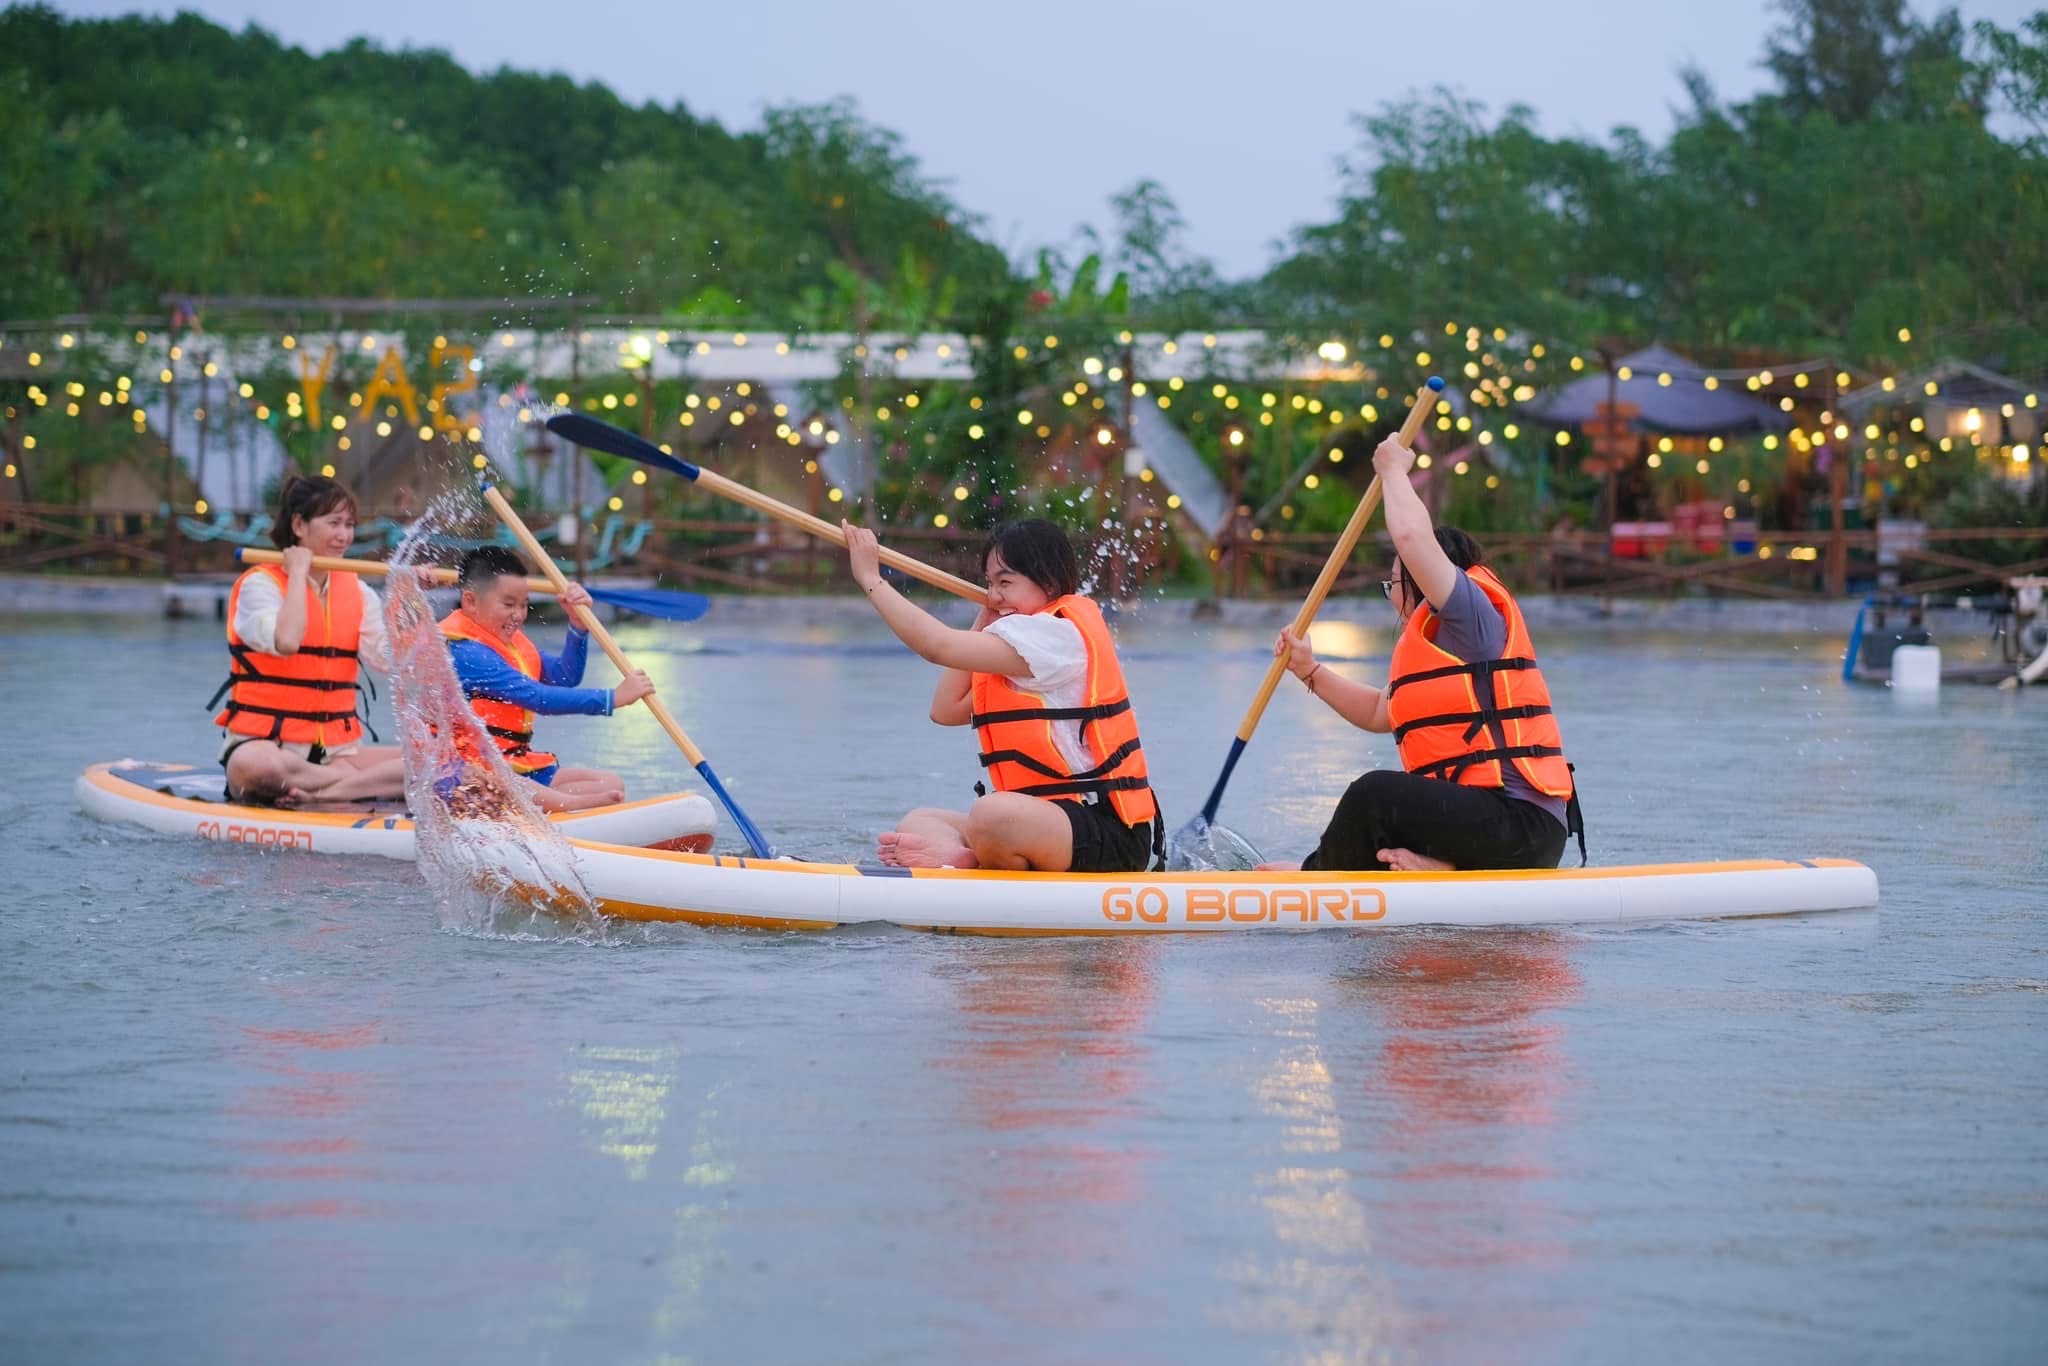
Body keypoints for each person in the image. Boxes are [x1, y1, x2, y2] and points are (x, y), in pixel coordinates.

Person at [1265, 434, 1584, 873]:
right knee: (1380, 833)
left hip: (1521, 826)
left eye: (1393, 584)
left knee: (1372, 795)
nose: (1392, 597)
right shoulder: (1432, 641)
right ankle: (1440, 866)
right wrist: (1310, 672)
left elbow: (1413, 536)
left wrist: (1393, 470)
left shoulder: (1470, 614)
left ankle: (1311, 878)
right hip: (1484, 823)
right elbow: (1382, 711)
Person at [841, 517, 1161, 872]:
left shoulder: (1056, 637)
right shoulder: (1016, 645)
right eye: (989, 584)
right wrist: (987, 615)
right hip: (1045, 822)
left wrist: (872, 580)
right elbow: (945, 710)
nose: (993, 595)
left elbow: (938, 646)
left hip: (1106, 831)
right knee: (921, 821)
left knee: (991, 813)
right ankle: (965, 860)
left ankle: (972, 862)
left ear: (1049, 583)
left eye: (1005, 582)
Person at [212, 475, 407, 805]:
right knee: (259, 769)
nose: (344, 535)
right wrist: (299, 574)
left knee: (431, 761)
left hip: (335, 754)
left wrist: (409, 598)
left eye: (349, 524)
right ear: (299, 525)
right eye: (333, 523)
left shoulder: (358, 593)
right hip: (267, 748)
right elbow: (287, 641)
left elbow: (393, 661)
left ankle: (328, 791)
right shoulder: (259, 586)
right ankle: (358, 786)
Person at [438, 545, 655, 813]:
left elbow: (565, 676)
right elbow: (538, 698)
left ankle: (553, 806)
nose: (518, 615)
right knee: (500, 781)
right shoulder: (466, 654)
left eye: (524, 605)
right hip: (466, 772)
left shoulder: (509, 644)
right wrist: (613, 698)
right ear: (470, 601)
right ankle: (571, 806)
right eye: (508, 604)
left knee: (611, 782)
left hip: (514, 763)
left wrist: (577, 625)